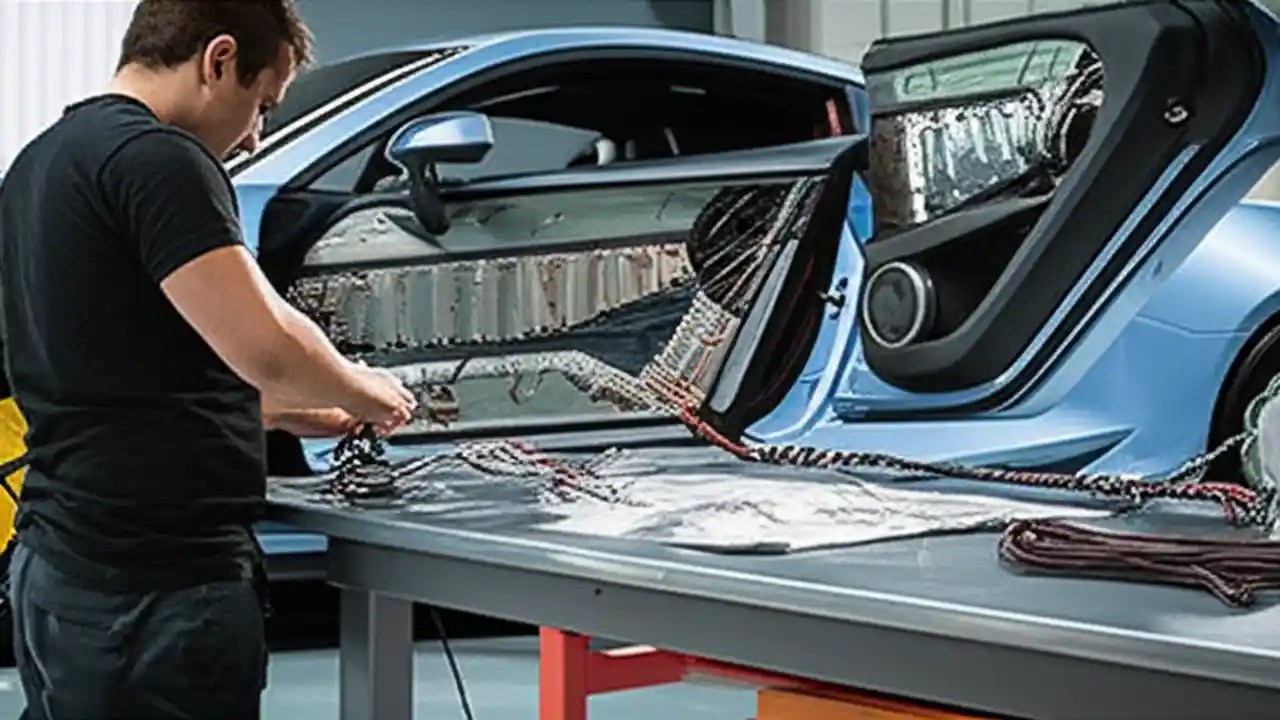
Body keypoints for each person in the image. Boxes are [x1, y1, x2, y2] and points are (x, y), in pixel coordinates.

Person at [0, 1, 418, 718]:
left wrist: (279, 414)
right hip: (154, 594)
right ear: (217, 59)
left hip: (61, 572)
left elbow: (112, 373)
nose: (256, 136)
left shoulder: (41, 161)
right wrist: (367, 391)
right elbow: (269, 347)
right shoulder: (160, 160)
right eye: (261, 104)